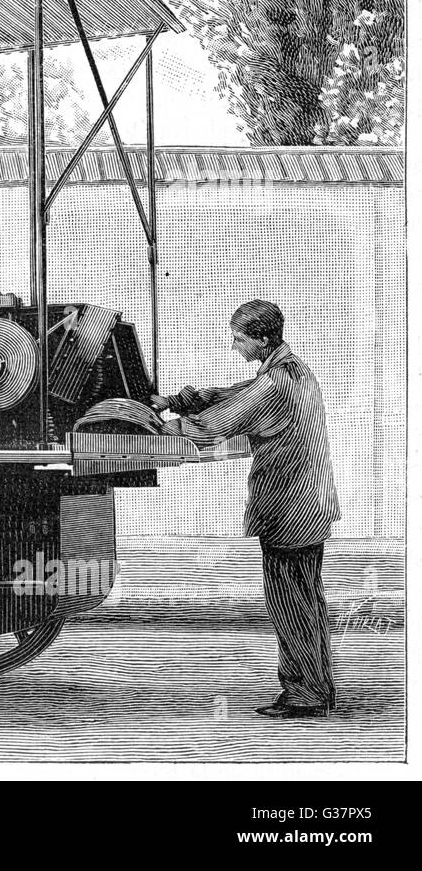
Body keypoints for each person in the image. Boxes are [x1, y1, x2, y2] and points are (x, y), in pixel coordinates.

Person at [151, 300, 340, 718]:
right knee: (304, 598)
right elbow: (233, 394)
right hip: (306, 505)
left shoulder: (276, 383)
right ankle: (314, 687)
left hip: (290, 509)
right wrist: (180, 399)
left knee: (292, 601)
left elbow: (219, 422)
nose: (235, 346)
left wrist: (157, 426)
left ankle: (306, 694)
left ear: (263, 339)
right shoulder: (286, 371)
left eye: (240, 339)